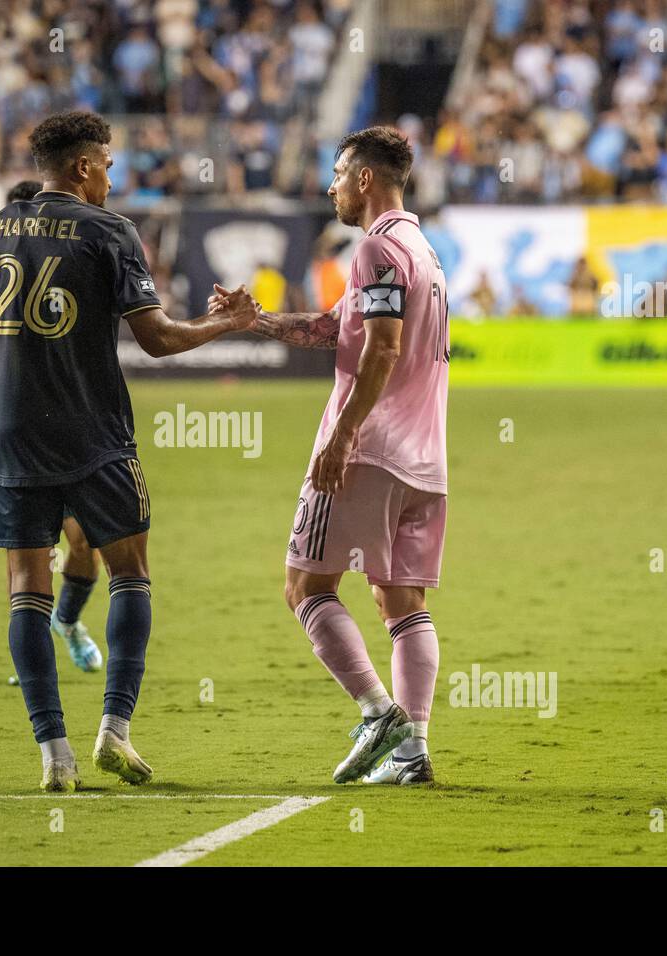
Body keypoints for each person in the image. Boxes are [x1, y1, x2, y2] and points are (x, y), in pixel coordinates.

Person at [0, 111, 257, 792]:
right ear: (84, 166)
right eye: (109, 165)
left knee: (27, 587)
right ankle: (114, 730)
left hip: (14, 441)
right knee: (131, 572)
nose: (113, 176)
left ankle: (53, 756)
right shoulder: (109, 232)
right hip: (95, 438)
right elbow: (158, 339)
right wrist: (228, 322)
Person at [222, 126, 449, 785]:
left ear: (366, 180)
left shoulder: (376, 245)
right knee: (402, 603)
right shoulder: (421, 249)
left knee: (305, 585)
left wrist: (344, 432)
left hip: (371, 450)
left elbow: (380, 347)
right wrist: (257, 321)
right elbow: (334, 328)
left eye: (339, 174)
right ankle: (412, 752)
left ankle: (380, 714)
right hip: (427, 458)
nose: (331, 187)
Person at [0, 179, 104, 673]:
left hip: (68, 438)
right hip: (10, 439)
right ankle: (34, 660)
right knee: (25, 558)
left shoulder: (66, 277)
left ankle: (66, 621)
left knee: (84, 545)